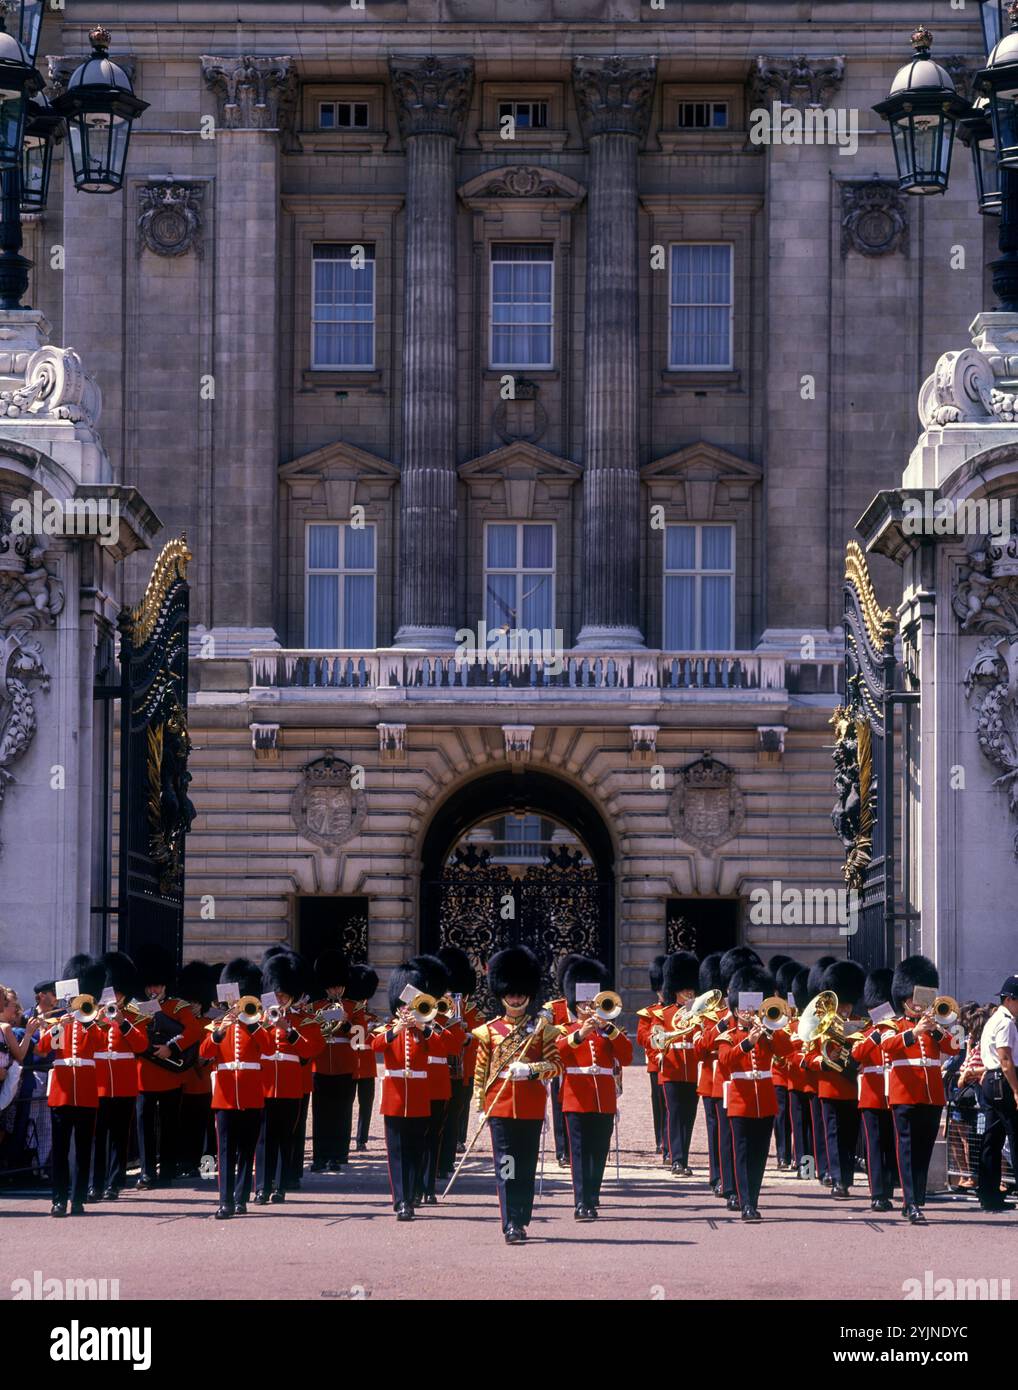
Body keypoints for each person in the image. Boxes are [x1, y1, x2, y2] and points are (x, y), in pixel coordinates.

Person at [471, 946, 561, 1243]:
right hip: (500, 1109)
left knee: (525, 1167)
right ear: (502, 993)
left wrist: (531, 1070)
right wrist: (480, 1106)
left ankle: (521, 1216)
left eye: (520, 993)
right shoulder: (489, 1031)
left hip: (531, 1108)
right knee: (506, 1167)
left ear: (528, 994)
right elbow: (481, 1071)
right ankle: (510, 1222)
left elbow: (556, 1066)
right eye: (511, 993)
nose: (516, 998)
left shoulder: (542, 1030)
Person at [880, 953, 958, 1224]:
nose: (919, 1003)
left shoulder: (936, 1027)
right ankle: (910, 1201)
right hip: (905, 1095)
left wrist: (935, 1029)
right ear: (904, 999)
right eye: (914, 998)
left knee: (923, 1148)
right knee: (906, 1148)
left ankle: (917, 1197)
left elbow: (954, 1047)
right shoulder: (893, 1025)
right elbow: (887, 1047)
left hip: (932, 1096)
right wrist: (915, 1032)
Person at [716, 965, 797, 1221]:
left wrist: (769, 1031)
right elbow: (726, 1061)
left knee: (760, 1155)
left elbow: (786, 1050)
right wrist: (747, 1042)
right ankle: (745, 1203)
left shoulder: (766, 1034)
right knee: (742, 1152)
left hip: (765, 1101)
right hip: (740, 1101)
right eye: (743, 1008)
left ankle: (753, 1199)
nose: (748, 1012)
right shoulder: (729, 1036)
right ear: (736, 1010)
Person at [556, 955, 633, 1221]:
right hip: (576, 1098)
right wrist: (580, 1034)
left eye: (592, 1002)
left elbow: (626, 1056)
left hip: (604, 1100)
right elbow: (558, 1053)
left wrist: (609, 1030)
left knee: (599, 1151)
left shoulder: (609, 1031)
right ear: (574, 1004)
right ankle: (581, 1202)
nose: (588, 1007)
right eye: (583, 1003)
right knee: (578, 1152)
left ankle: (593, 1195)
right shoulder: (565, 1029)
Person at [32, 954, 107, 1216]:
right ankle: (59, 1200)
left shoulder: (94, 1025)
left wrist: (88, 1022)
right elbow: (42, 1050)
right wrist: (55, 1028)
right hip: (62, 1094)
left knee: (84, 1149)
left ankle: (78, 1198)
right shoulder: (58, 1023)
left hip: (86, 1093)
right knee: (61, 1150)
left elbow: (100, 1045)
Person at [200, 957, 273, 1219]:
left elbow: (268, 1047)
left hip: (252, 1094)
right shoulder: (217, 1025)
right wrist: (220, 1031)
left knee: (246, 1150)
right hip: (225, 1096)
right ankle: (225, 1201)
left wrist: (252, 1025)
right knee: (226, 1150)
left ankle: (241, 1198)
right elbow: (204, 1052)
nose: (237, 1005)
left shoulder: (257, 1024)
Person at [370, 960, 437, 1222]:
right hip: (395, 1099)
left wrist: (422, 1027)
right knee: (396, 1153)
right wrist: (397, 1029)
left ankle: (411, 1197)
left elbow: (444, 1046)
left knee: (415, 1152)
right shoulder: (388, 1029)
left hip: (419, 1099)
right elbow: (374, 1045)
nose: (408, 1010)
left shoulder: (425, 1031)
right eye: (404, 1006)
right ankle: (401, 1201)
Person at [133, 943, 203, 1189]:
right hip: (145, 1075)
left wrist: (171, 1049)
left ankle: (167, 1170)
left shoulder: (178, 1006)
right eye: (150, 985)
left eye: (158, 985)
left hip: (171, 1076)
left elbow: (194, 1031)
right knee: (145, 1128)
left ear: (165, 986)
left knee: (169, 1125)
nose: (153, 989)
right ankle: (147, 1171)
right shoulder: (136, 1008)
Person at [256, 951, 321, 1204]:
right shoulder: (260, 1020)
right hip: (264, 1086)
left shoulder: (305, 1021)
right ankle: (261, 1185)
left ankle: (280, 1186)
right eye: (277, 994)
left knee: (286, 1138)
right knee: (263, 1138)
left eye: (284, 994)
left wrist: (289, 1030)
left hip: (290, 1087)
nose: (280, 998)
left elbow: (310, 1050)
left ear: (292, 995)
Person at [800, 960, 865, 1200]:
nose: (846, 1010)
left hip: (852, 1087)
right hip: (829, 1087)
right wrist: (826, 1059)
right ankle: (838, 1180)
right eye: (843, 1006)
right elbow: (806, 1057)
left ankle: (846, 1178)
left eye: (848, 1005)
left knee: (850, 1136)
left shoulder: (860, 1023)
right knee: (834, 1135)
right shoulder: (821, 1025)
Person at [89, 951, 147, 1201]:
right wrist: (96, 1021)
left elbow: (142, 1046)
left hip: (123, 1084)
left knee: (119, 1137)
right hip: (99, 1083)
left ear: (123, 993)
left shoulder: (134, 1015)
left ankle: (114, 1182)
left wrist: (123, 1023)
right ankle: (95, 1183)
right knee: (97, 1136)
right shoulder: (92, 1015)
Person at [410, 953, 464, 1203]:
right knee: (415, 1137)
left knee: (434, 1138)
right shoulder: (408, 1021)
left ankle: (428, 1187)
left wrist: (433, 1024)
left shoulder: (446, 1022)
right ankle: (413, 1186)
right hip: (415, 1085)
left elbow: (454, 1046)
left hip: (438, 1085)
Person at [850, 967, 898, 1212]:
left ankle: (889, 1188)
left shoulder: (899, 1029)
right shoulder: (866, 1032)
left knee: (890, 1144)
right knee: (874, 1145)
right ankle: (877, 1193)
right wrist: (876, 1035)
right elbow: (856, 1055)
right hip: (871, 1095)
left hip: (895, 1094)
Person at [435, 945, 481, 1174]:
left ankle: (446, 1161)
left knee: (453, 1116)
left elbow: (481, 1038)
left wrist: (466, 1032)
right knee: (436, 1118)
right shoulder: (433, 1007)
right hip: (438, 1069)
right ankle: (434, 1161)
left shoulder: (469, 1009)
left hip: (462, 1070)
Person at [976, 975, 1018, 1213]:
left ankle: (988, 1193)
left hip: (991, 1081)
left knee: (992, 1139)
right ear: (1011, 999)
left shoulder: (994, 1019)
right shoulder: (1007, 1022)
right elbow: (1005, 1059)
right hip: (1003, 1081)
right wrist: (1017, 1090)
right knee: (1014, 1136)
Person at [309, 948, 354, 1174]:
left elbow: (360, 1038)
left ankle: (337, 1154)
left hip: (344, 1066)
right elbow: (313, 1027)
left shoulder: (353, 1008)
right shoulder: (316, 1007)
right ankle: (319, 1156)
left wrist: (346, 1023)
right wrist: (333, 1016)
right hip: (320, 1066)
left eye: (338, 986)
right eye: (332, 986)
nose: (335, 990)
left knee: (341, 1113)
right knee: (320, 1114)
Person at [656, 951, 699, 1177]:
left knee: (689, 1116)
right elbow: (649, 1037)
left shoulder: (699, 1015)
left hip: (691, 1070)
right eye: (684, 990)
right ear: (675, 991)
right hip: (671, 1069)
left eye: (691, 990)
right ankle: (676, 1159)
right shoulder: (665, 1014)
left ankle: (684, 1156)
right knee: (674, 1114)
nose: (688, 993)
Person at [543, 952, 586, 1166]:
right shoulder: (554, 1008)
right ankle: (562, 1150)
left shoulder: (592, 1007)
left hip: (584, 1065)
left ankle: (579, 1148)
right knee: (560, 1106)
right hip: (561, 1062)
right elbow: (544, 1033)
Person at [176, 962, 217, 1179]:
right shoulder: (181, 1024)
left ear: (202, 1003)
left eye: (195, 1002)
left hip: (204, 1082)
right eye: (189, 1002)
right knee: (186, 1127)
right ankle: (186, 1163)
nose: (192, 1006)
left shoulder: (210, 1024)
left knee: (207, 1129)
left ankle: (207, 1169)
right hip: (185, 1081)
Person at [693, 952, 724, 1193]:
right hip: (710, 1078)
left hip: (730, 1079)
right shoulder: (704, 1015)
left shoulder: (739, 1015)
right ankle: (717, 1175)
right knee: (714, 1130)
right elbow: (700, 1048)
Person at [771, 958, 803, 1171]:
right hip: (780, 1072)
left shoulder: (802, 1016)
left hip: (799, 1074)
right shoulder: (774, 1011)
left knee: (800, 1122)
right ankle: (782, 1155)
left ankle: (802, 1164)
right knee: (781, 1115)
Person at [636, 955, 668, 1159]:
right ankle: (661, 1140)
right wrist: (657, 1050)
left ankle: (671, 1143)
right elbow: (642, 1037)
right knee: (659, 1104)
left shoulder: (683, 1012)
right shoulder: (650, 1012)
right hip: (657, 1065)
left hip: (677, 1065)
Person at [347, 963, 379, 1152]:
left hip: (367, 1067)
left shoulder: (371, 1018)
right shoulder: (351, 1016)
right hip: (351, 1065)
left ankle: (361, 1139)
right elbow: (355, 1038)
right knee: (347, 1105)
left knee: (366, 1105)